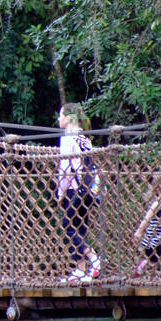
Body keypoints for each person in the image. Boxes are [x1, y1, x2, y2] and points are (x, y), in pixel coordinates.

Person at [56, 103, 102, 283]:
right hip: (89, 191)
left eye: (61, 116)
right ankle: (80, 271)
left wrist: (61, 192)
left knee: (69, 227)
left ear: (68, 118)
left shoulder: (67, 139)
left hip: (74, 190)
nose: (59, 119)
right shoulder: (84, 138)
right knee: (80, 228)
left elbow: (65, 169)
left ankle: (93, 258)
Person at [132, 173, 161, 279]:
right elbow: (146, 219)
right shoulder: (157, 204)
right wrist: (139, 231)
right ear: (158, 189)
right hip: (154, 238)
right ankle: (141, 266)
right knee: (153, 258)